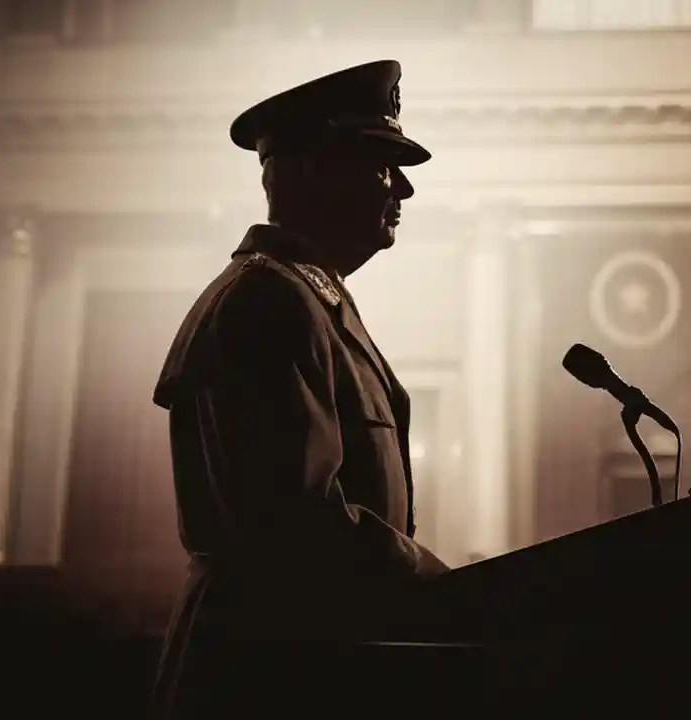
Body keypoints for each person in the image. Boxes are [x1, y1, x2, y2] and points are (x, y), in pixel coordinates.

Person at [148, 59, 450, 717]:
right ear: (315, 172)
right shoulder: (266, 303)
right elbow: (295, 525)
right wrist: (435, 580)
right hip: (264, 669)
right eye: (382, 166)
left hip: (300, 655)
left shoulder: (309, 297)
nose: (404, 188)